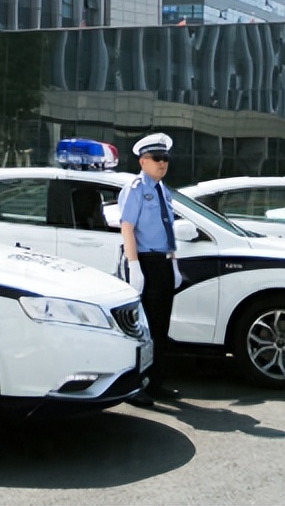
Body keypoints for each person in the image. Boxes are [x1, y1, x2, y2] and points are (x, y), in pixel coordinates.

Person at [119, 132, 179, 406]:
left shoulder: (162, 189)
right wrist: (134, 266)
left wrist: (173, 262)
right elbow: (127, 227)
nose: (162, 163)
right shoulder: (135, 188)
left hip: (163, 263)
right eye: (157, 159)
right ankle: (134, 386)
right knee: (142, 328)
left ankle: (155, 382)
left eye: (165, 158)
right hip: (144, 261)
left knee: (160, 327)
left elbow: (168, 228)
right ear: (143, 161)